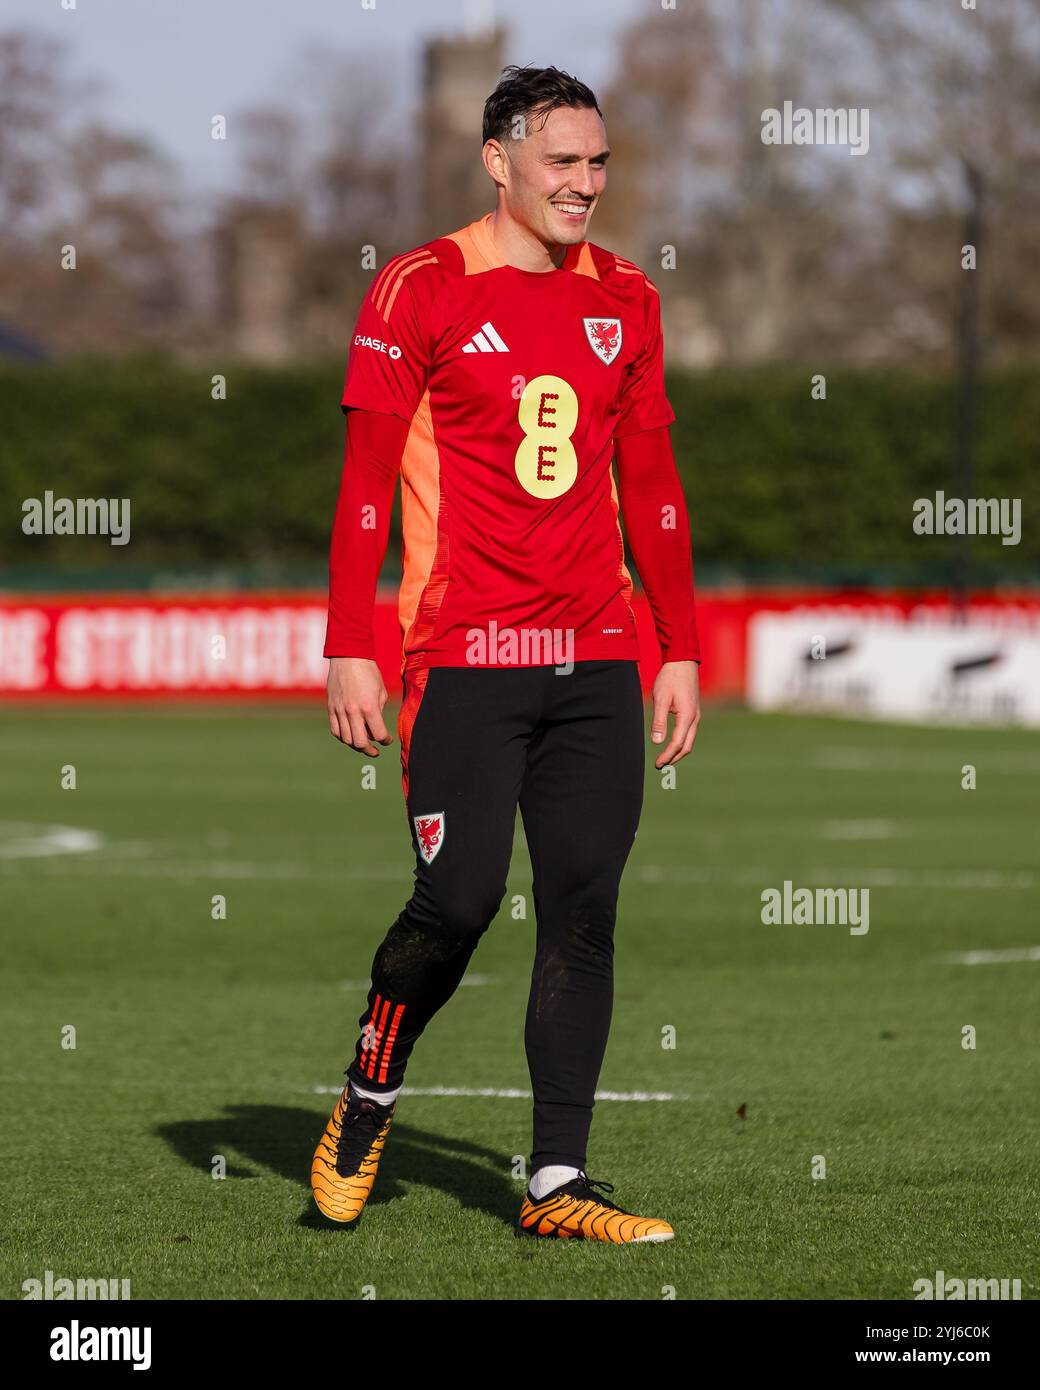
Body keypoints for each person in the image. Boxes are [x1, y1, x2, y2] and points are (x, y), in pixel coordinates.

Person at [311, 64, 700, 1243]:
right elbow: (365, 492)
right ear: (499, 160)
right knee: (461, 896)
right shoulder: (416, 288)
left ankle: (555, 1183)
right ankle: (369, 1092)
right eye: (560, 164)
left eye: (597, 165)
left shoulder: (626, 295)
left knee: (583, 907)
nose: (583, 185)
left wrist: (675, 645)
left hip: (594, 654)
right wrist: (348, 642)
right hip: (460, 656)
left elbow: (655, 486)